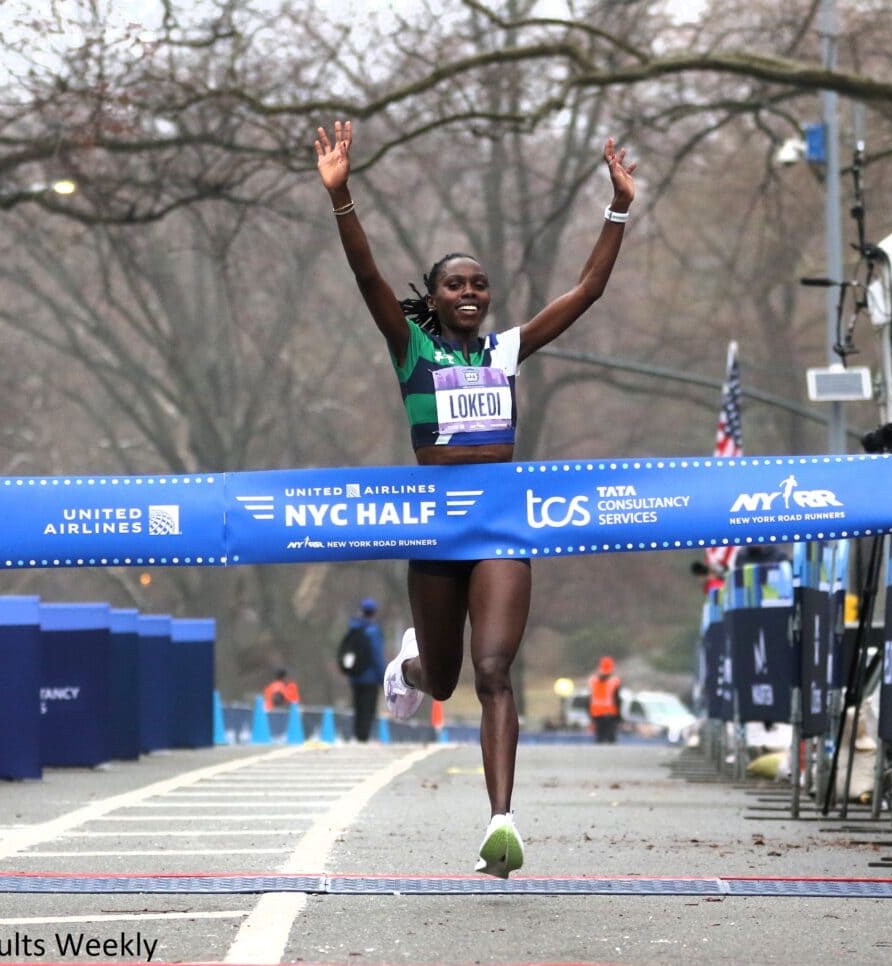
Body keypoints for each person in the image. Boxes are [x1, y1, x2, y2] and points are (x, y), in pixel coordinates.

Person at [314, 119, 636, 877]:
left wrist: (617, 207)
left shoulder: (506, 349)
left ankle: (502, 823)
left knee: (495, 673)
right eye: (455, 284)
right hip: (434, 526)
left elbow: (586, 290)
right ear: (433, 296)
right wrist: (342, 197)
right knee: (446, 678)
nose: (470, 293)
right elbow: (366, 278)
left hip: (499, 525)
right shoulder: (412, 350)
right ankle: (409, 667)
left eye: (479, 285)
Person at [341, 598, 386, 742]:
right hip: (370, 677)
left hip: (355, 676)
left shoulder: (353, 628)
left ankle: (357, 734)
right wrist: (383, 678)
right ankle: (363, 736)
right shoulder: (373, 631)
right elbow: (376, 656)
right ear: (374, 613)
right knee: (368, 708)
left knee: (358, 706)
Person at [588, 656, 623, 744]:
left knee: (599, 738)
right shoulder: (614, 682)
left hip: (596, 714)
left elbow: (589, 699)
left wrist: (590, 715)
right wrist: (619, 716)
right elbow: (617, 699)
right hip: (610, 714)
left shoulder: (593, 681)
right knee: (610, 739)